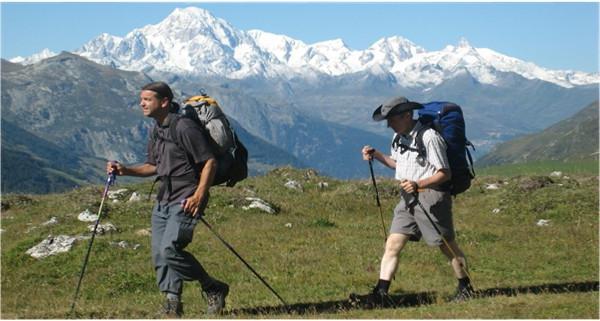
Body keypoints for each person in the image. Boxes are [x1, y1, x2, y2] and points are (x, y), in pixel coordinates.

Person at [106, 81, 229, 317]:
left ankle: (213, 287)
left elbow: (209, 162)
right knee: (159, 254)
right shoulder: (156, 129)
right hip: (164, 197)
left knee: (170, 249)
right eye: (141, 99)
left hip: (186, 197)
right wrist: (125, 170)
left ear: (163, 102)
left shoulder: (183, 127)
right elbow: (153, 166)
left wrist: (200, 194)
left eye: (147, 99)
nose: (141, 103)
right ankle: (173, 304)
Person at [361, 96, 474, 303]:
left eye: (392, 119)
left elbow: (444, 173)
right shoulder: (399, 137)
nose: (389, 124)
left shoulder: (429, 137)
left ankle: (466, 287)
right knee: (393, 243)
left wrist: (418, 185)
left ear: (407, 115)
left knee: (446, 245)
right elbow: (398, 164)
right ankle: (381, 293)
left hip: (432, 197)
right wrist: (376, 154)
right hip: (407, 198)